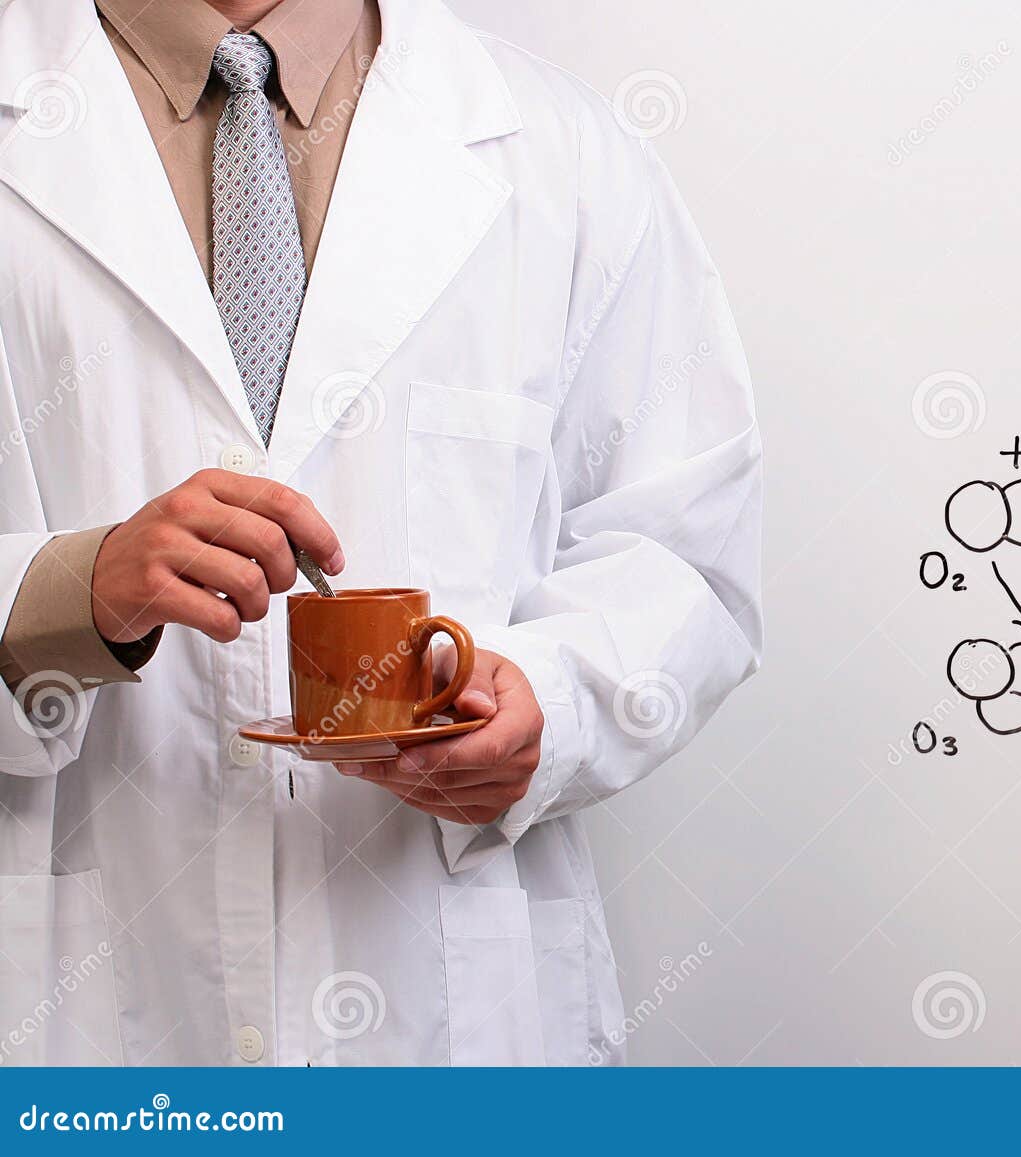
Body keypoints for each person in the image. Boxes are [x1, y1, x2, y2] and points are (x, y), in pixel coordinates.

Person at [0, 0, 761, 1066]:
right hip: (76, 1011)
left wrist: (550, 701)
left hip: (448, 1002)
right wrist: (64, 594)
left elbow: (683, 544)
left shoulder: (562, 154)